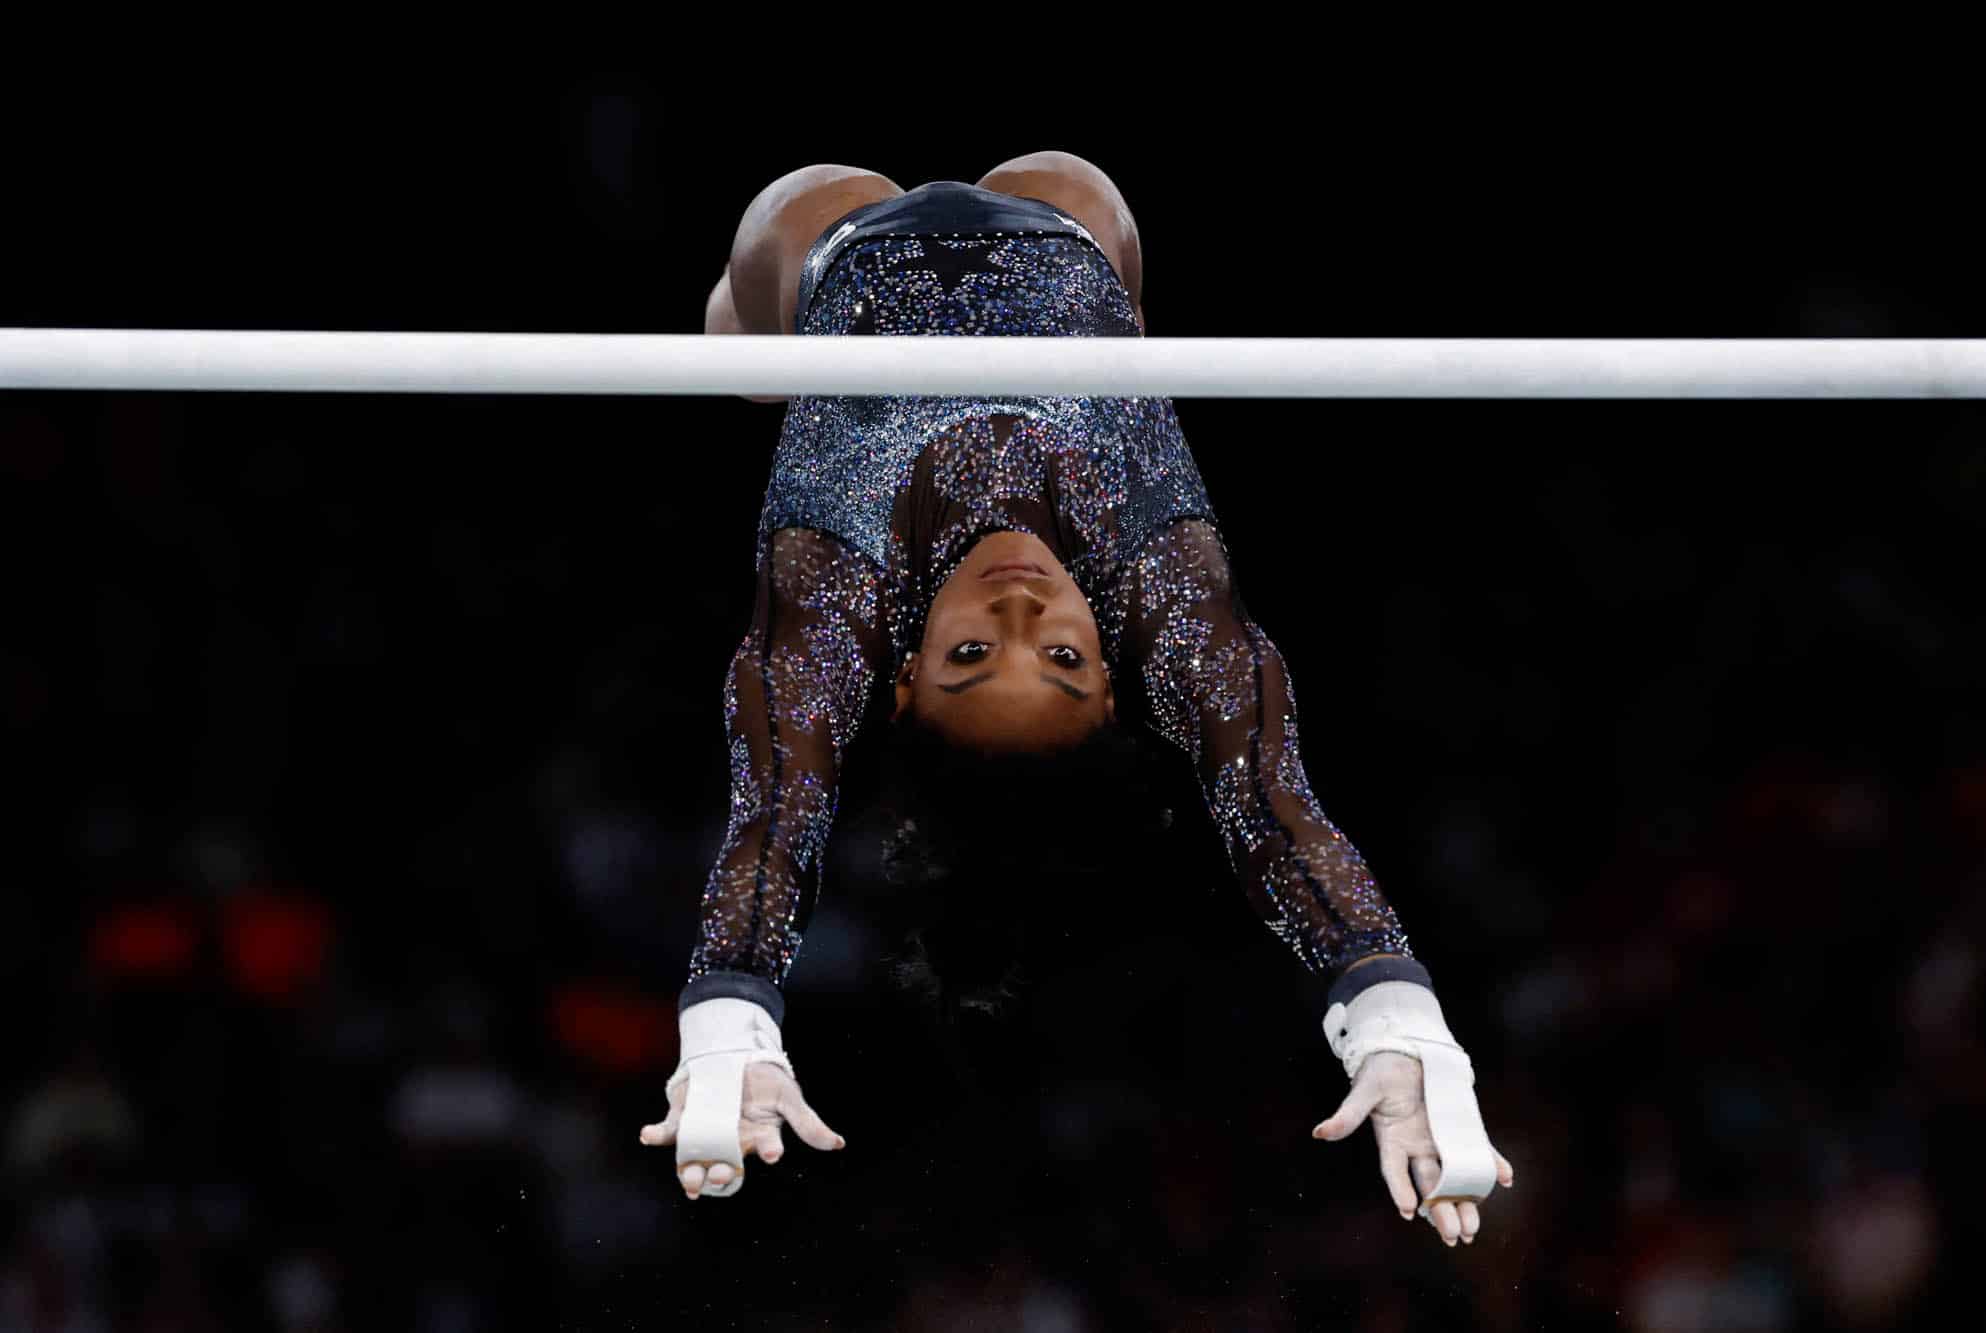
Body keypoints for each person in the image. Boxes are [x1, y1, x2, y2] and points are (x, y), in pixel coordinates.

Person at [638, 153, 1515, 1246]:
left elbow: (776, 813)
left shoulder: (836, 582)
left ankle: (741, 338)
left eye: (970, 653)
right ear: (1114, 680)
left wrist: (730, 1015)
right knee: (1075, 202)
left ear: (902, 676)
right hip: (1073, 233)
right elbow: (1272, 801)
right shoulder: (1165, 583)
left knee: (756, 339)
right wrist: (1398, 1017)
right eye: (1059, 656)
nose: (1022, 607)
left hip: (832, 245)